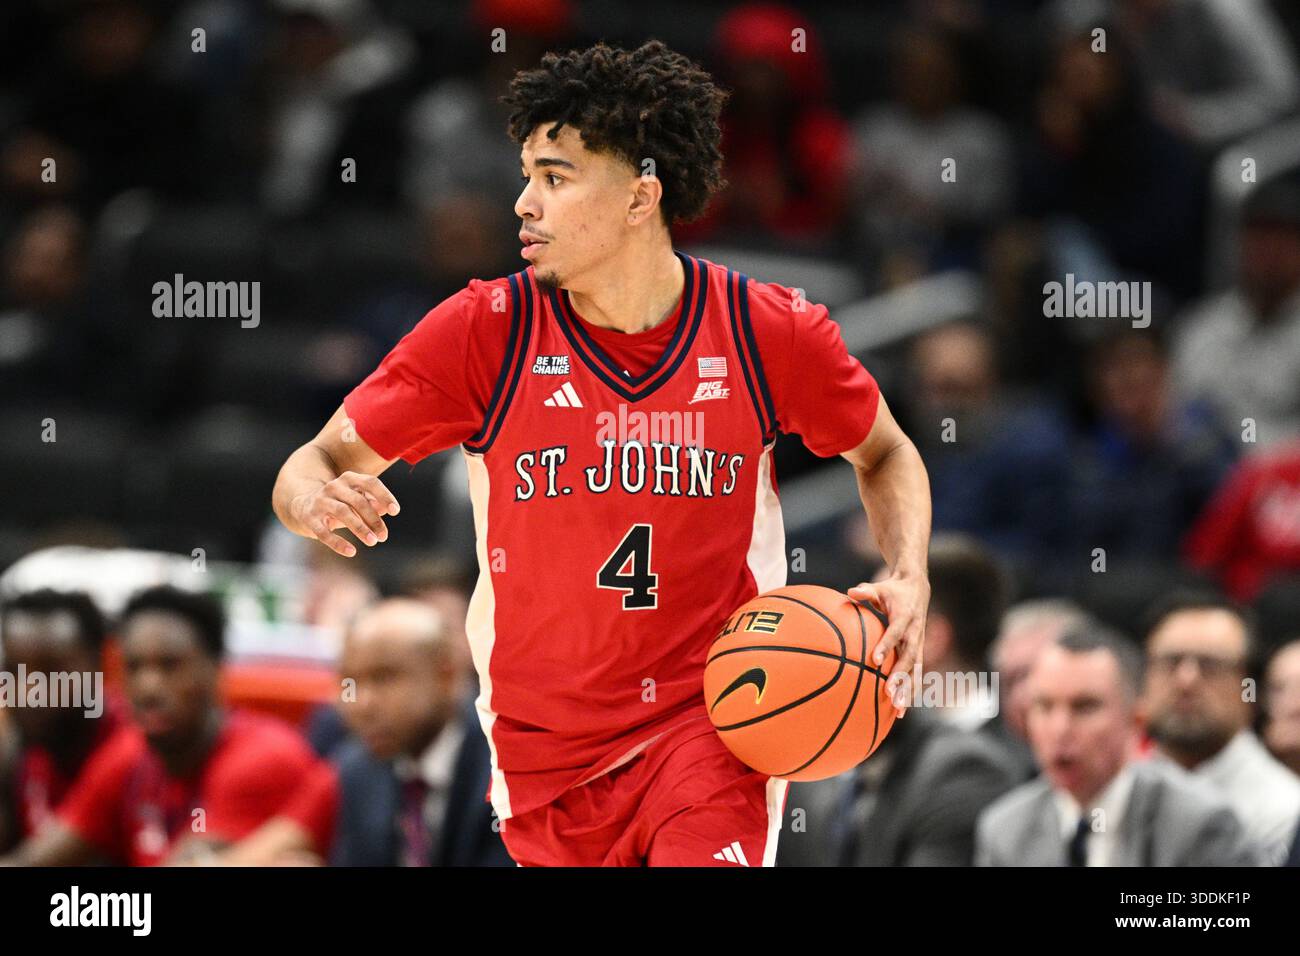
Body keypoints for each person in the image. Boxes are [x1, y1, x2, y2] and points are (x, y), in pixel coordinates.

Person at [271, 40, 933, 867]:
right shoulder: (485, 331)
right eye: (527, 175)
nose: (523, 203)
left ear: (638, 196)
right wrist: (312, 500)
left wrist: (909, 571)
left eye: (555, 176)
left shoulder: (768, 332)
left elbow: (885, 452)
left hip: (714, 720)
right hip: (544, 745)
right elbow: (317, 459)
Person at [0, 586, 336, 866]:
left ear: (216, 670)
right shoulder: (129, 752)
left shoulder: (263, 754)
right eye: (134, 667)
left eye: (169, 665)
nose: (149, 687)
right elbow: (36, 860)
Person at [976, 625, 1260, 866]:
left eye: (1084, 707)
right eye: (1045, 706)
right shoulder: (1006, 829)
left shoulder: (1198, 823)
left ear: (1135, 720)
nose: (1060, 729)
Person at [1142, 591, 1300, 864]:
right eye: (1171, 662)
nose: (1186, 680)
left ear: (1250, 689)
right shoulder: (1113, 788)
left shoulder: (1285, 810)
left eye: (1210, 665)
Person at [0, 589, 126, 851]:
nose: (27, 692)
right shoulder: (23, 752)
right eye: (13, 671)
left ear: (97, 664)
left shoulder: (138, 749)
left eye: (50, 672)